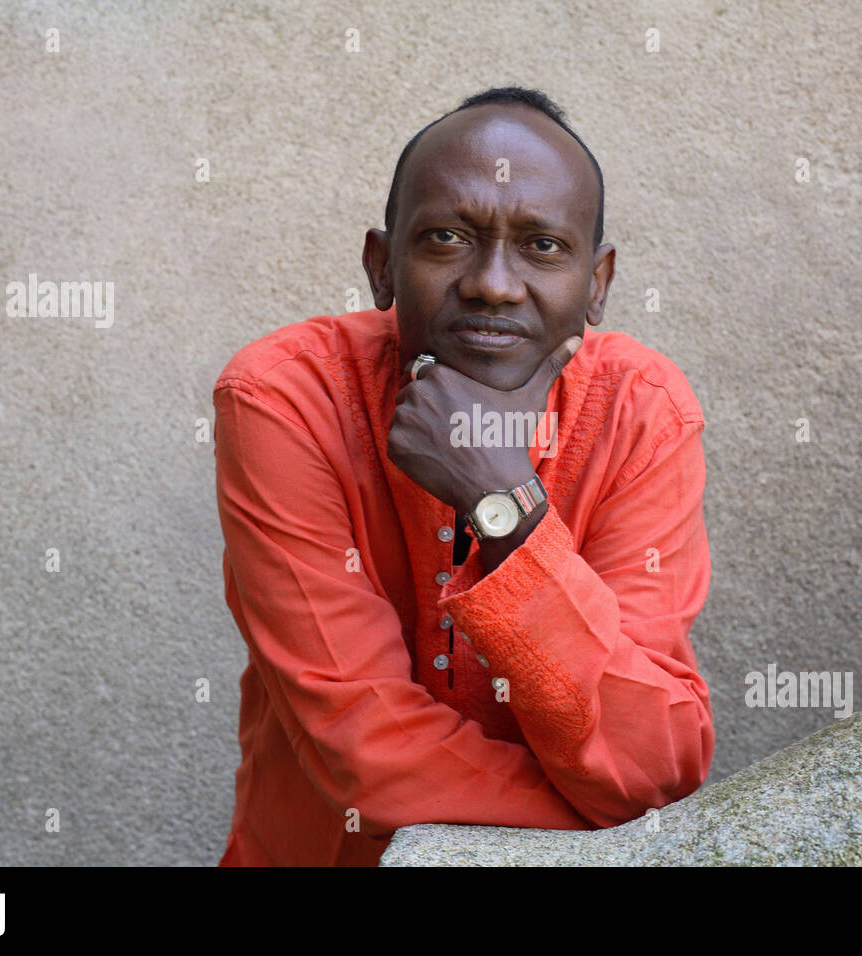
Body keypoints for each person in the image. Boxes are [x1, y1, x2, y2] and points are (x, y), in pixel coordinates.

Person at [213, 86, 713, 866]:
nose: (493, 284)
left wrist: (500, 504)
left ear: (599, 283)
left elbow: (655, 758)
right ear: (382, 267)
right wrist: (607, 818)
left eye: (543, 246)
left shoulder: (642, 413)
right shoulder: (285, 399)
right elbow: (364, 750)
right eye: (447, 238)